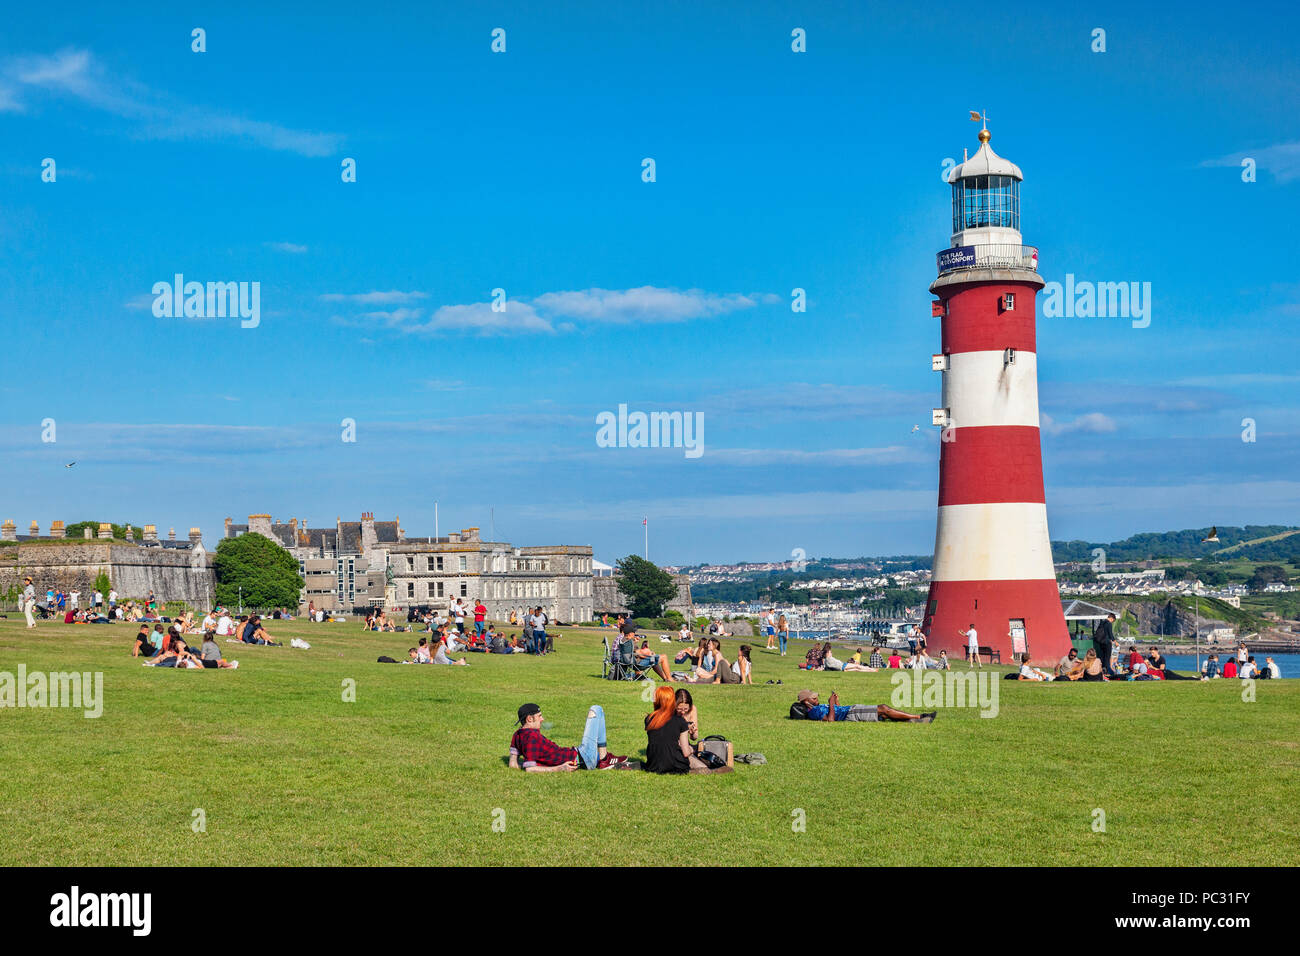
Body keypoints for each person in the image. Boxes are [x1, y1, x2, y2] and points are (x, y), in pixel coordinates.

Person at [508, 702, 629, 771]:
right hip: (582, 758)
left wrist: (533, 764)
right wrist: (560, 768)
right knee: (596, 709)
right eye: (539, 716)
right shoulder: (531, 738)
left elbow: (512, 764)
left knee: (598, 711)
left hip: (578, 754)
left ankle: (604, 758)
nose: (542, 719)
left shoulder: (517, 734)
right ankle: (604, 760)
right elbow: (530, 769)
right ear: (529, 719)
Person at [643, 686, 729, 774]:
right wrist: (691, 749)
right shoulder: (680, 721)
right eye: (679, 708)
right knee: (703, 767)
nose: (683, 712)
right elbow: (686, 753)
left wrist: (691, 732)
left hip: (653, 764)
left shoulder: (649, 719)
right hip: (675, 763)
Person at [789, 689, 934, 723]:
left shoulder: (815, 708)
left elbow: (835, 711)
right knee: (883, 708)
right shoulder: (814, 712)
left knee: (883, 713)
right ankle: (919, 717)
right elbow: (830, 719)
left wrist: (836, 702)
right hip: (850, 713)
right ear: (806, 701)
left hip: (849, 710)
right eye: (814, 698)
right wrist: (831, 703)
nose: (817, 698)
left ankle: (912, 719)